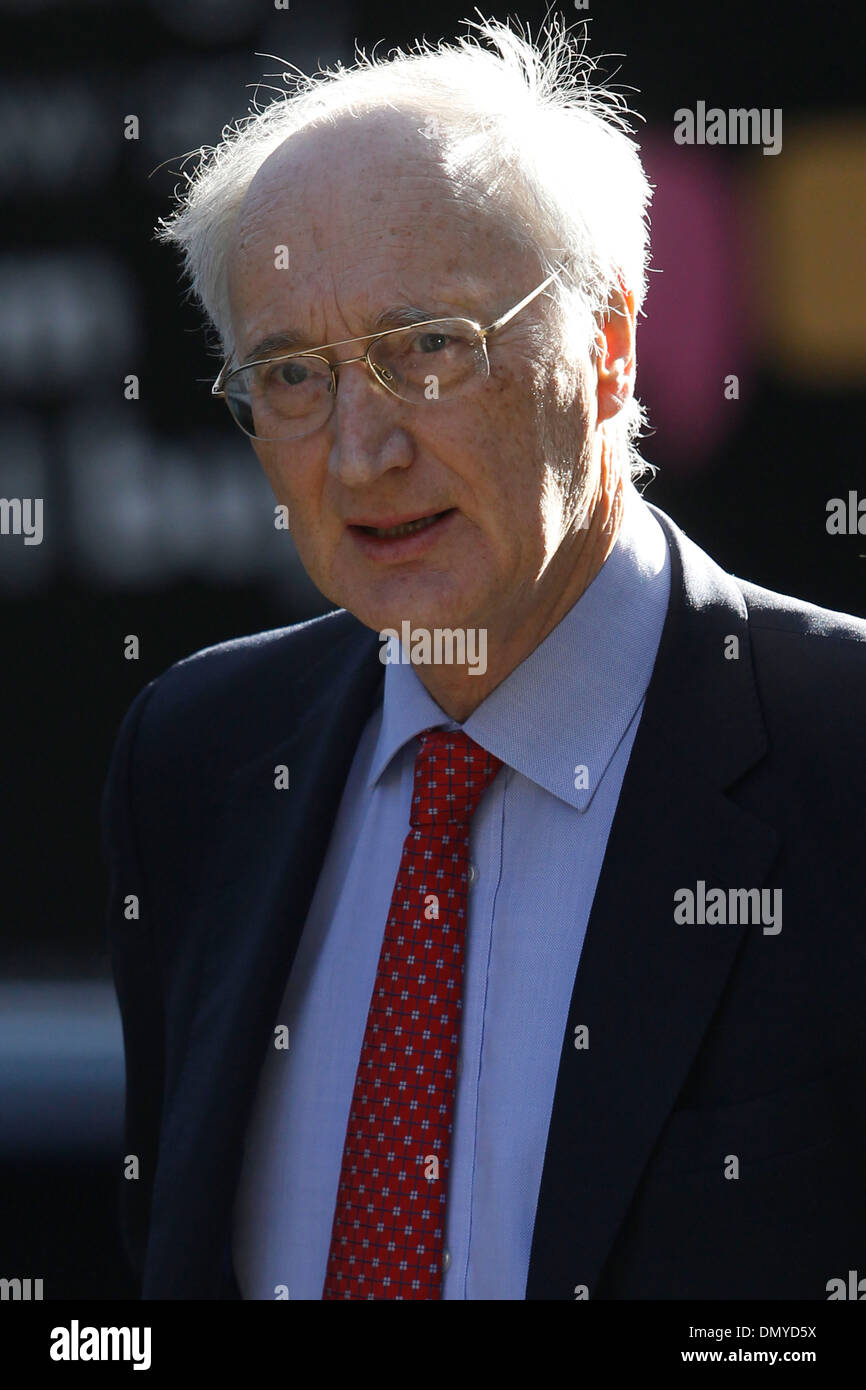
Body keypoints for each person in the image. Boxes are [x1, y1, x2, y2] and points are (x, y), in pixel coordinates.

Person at [102, 17, 866, 1300]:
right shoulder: (197, 758)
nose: (359, 453)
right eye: (291, 374)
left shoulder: (839, 753)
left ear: (607, 343)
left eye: (428, 349)